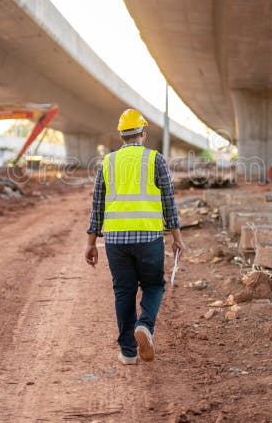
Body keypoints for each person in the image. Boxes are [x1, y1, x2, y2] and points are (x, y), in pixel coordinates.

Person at [85, 109, 186, 365]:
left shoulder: (107, 163)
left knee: (124, 291)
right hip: (149, 238)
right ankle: (144, 325)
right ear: (143, 132)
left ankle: (128, 352)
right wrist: (177, 237)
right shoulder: (156, 160)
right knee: (153, 286)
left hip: (116, 241)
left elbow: (97, 204)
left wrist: (90, 242)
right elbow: (168, 203)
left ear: (121, 135)